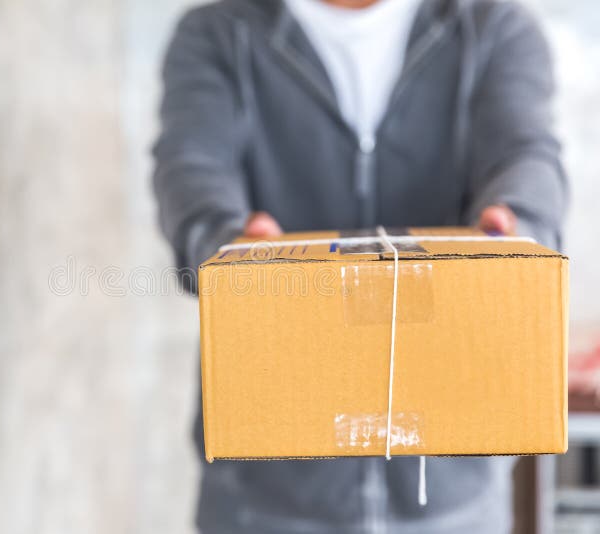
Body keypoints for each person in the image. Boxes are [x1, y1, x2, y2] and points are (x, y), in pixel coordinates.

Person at [152, 0, 567, 532]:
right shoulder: (218, 33)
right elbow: (192, 171)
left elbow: (527, 156)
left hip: (453, 493)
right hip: (266, 497)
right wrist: (230, 248)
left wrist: (515, 233)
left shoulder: (491, 28)